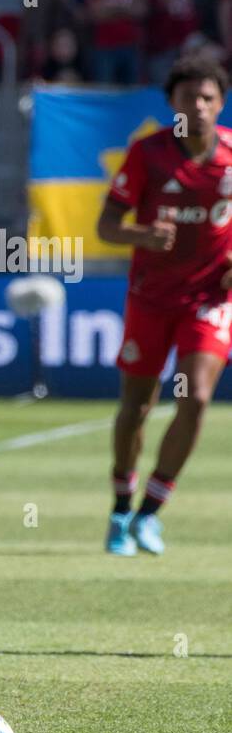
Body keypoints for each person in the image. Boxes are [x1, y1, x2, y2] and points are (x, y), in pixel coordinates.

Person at [99, 56, 232, 556]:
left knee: (196, 397)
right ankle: (119, 506)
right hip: (151, 298)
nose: (196, 107)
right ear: (171, 103)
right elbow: (106, 225)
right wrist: (142, 235)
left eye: (207, 99)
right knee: (135, 407)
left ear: (220, 105)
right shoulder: (147, 155)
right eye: (187, 98)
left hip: (211, 297)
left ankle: (150, 513)